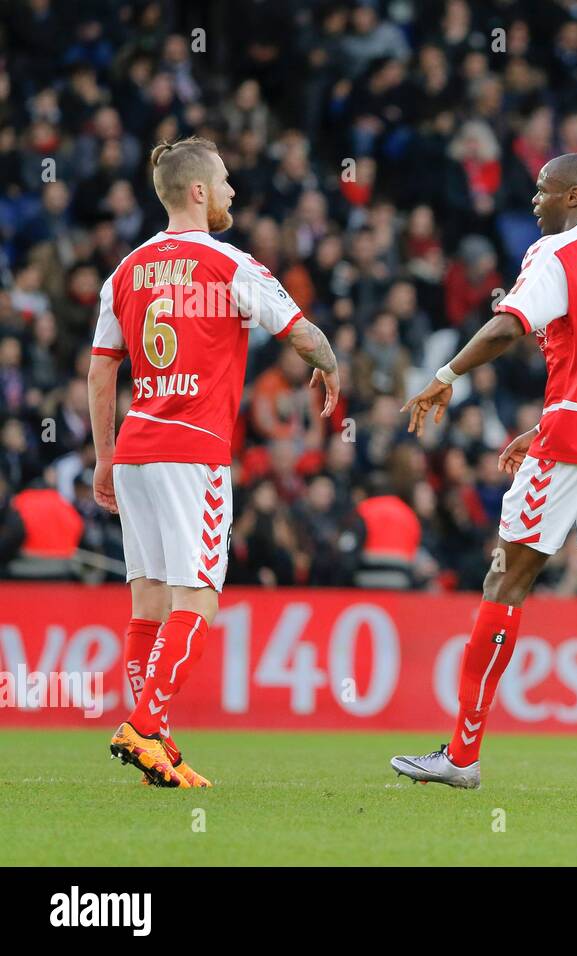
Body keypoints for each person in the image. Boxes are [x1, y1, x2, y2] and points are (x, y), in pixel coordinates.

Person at [390, 153, 577, 794]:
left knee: (505, 576)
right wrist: (544, 425)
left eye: (542, 190)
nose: (532, 200)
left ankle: (461, 755)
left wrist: (444, 377)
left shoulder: (554, 252)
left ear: (573, 196)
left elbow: (508, 327)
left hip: (576, 437)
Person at [90, 137, 339, 787]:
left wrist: (103, 457)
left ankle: (158, 745)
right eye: (225, 180)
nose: (232, 190)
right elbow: (301, 333)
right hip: (193, 452)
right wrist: (332, 365)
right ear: (197, 190)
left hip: (136, 449)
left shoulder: (126, 270)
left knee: (147, 601)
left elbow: (100, 370)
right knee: (197, 598)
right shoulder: (231, 266)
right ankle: (145, 727)